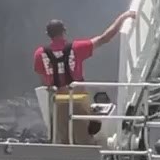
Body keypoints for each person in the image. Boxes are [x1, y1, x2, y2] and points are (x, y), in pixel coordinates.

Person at [35, 12, 137, 144]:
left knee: (62, 142)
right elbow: (104, 38)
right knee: (85, 140)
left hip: (58, 103)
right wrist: (124, 17)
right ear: (64, 32)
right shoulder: (76, 48)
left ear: (48, 34)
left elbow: (44, 82)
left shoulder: (39, 54)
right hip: (79, 101)